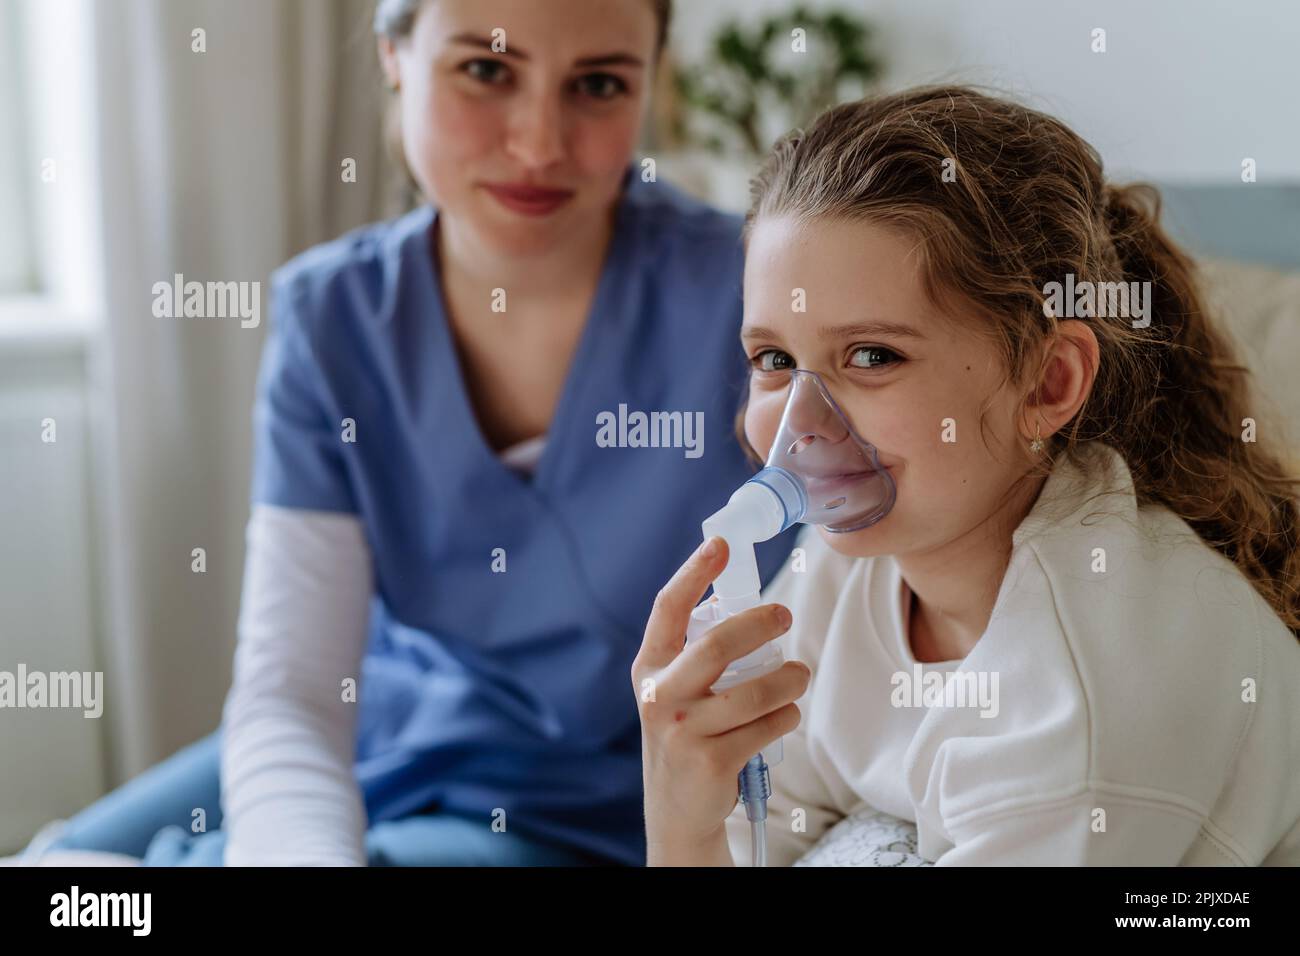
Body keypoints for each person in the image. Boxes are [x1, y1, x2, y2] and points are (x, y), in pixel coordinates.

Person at [23, 0, 795, 867]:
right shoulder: (333, 318)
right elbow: (296, 694)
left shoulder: (756, 303)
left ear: (652, 80)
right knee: (60, 871)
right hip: (388, 729)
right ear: (394, 53)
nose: (540, 143)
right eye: (487, 70)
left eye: (600, 85)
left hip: (581, 809)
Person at [634, 86, 1300, 866]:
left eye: (873, 356)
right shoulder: (845, 576)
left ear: (1048, 383)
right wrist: (681, 806)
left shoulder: (1085, 696)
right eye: (775, 361)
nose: (799, 429)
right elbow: (768, 836)